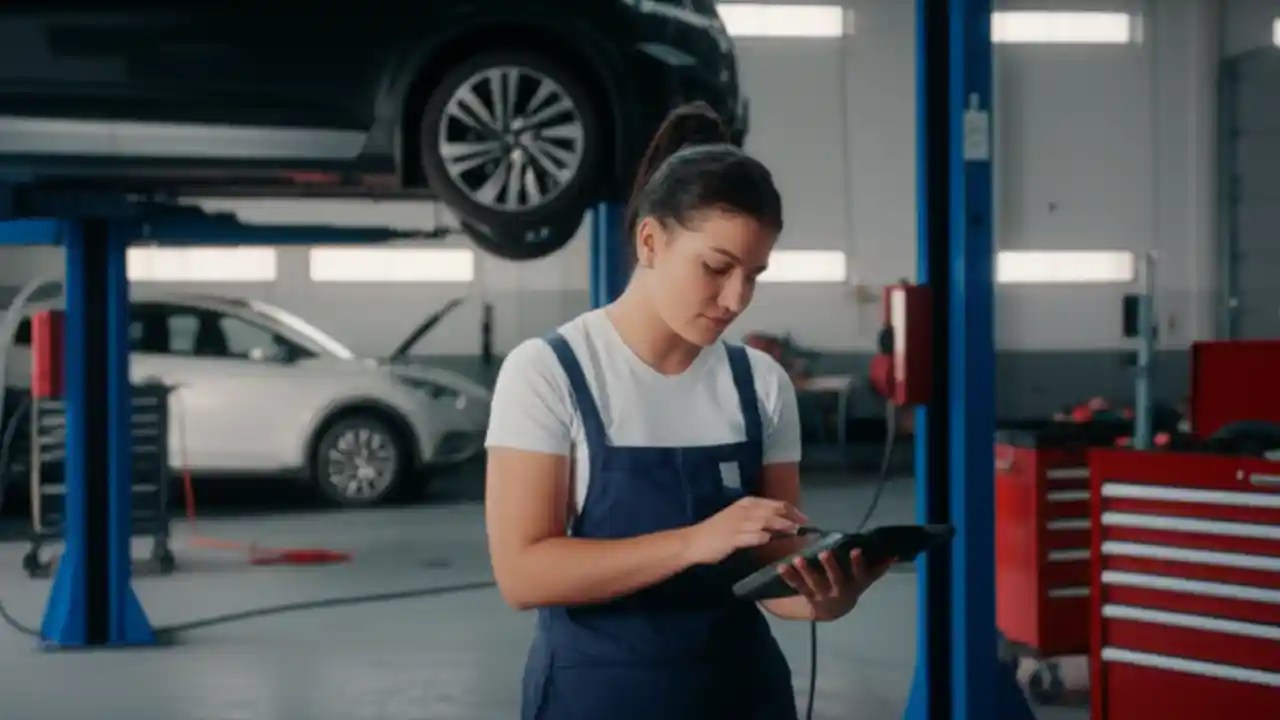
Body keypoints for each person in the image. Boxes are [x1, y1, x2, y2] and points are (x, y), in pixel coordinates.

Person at [483, 101, 894, 720]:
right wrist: (694, 542)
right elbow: (524, 574)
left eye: (754, 275)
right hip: (600, 697)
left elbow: (772, 571)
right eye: (716, 268)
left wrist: (824, 598)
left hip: (743, 695)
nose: (736, 298)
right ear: (650, 241)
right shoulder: (550, 373)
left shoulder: (761, 384)